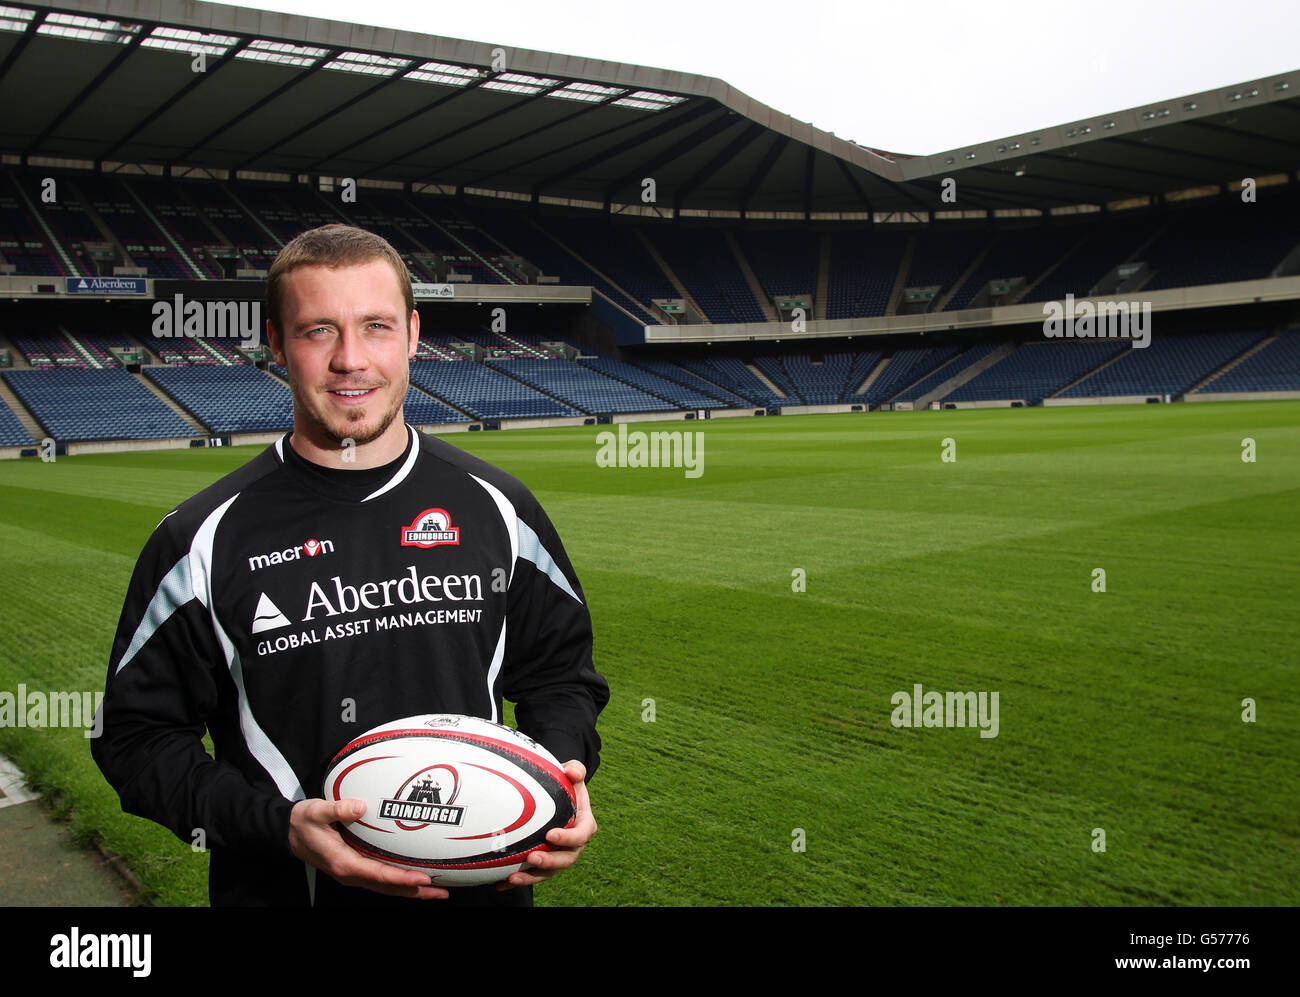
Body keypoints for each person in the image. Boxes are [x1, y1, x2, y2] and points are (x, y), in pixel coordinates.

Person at [92, 223, 609, 907]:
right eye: (318, 331)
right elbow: (134, 739)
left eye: (376, 326)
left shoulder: (499, 508)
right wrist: (275, 826)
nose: (351, 359)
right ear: (276, 343)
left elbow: (561, 677)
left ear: (414, 334)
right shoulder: (200, 542)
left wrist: (559, 780)